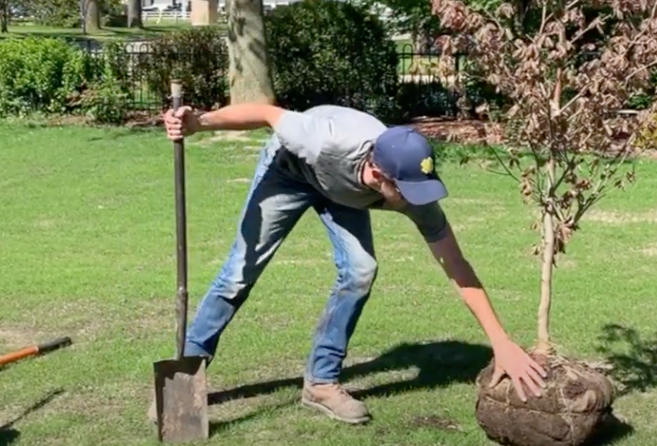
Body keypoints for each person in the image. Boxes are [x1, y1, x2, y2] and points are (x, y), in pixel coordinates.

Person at [157, 101, 547, 425]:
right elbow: (266, 113)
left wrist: (502, 342)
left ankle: (322, 383)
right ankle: (185, 377)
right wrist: (199, 123)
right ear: (378, 173)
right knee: (239, 274)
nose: (415, 197)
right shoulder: (322, 140)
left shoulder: (413, 193)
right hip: (290, 173)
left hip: (344, 192)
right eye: (407, 189)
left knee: (361, 270)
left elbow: (456, 264)